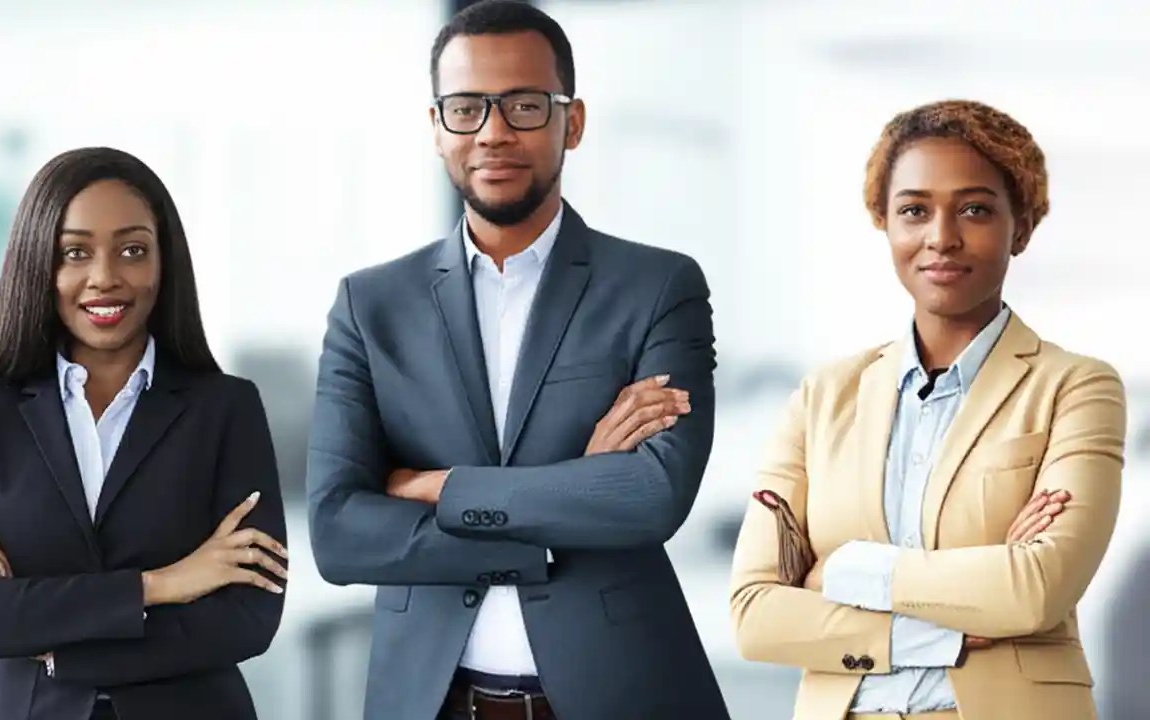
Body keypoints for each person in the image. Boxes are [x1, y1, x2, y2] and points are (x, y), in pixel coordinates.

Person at [305, 1, 729, 718]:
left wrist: (438, 487)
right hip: (431, 702)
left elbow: (650, 497)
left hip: (618, 696)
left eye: (526, 105)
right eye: (467, 107)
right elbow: (339, 533)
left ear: (574, 120)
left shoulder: (658, 287)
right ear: (437, 127)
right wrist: (566, 503)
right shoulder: (369, 305)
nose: (495, 133)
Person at [729, 99, 1125, 720]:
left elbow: (1034, 591)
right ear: (884, 223)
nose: (941, 237)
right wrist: (934, 628)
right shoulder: (822, 397)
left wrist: (846, 569)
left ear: (1020, 227)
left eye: (974, 209)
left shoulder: (1074, 388)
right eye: (914, 210)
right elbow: (755, 615)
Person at [0, 147, 289, 720]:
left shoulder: (226, 408)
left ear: (163, 262)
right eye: (75, 252)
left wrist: (48, 642)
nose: (105, 277)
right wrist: (160, 585)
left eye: (133, 250)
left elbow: (247, 616)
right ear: (41, 264)